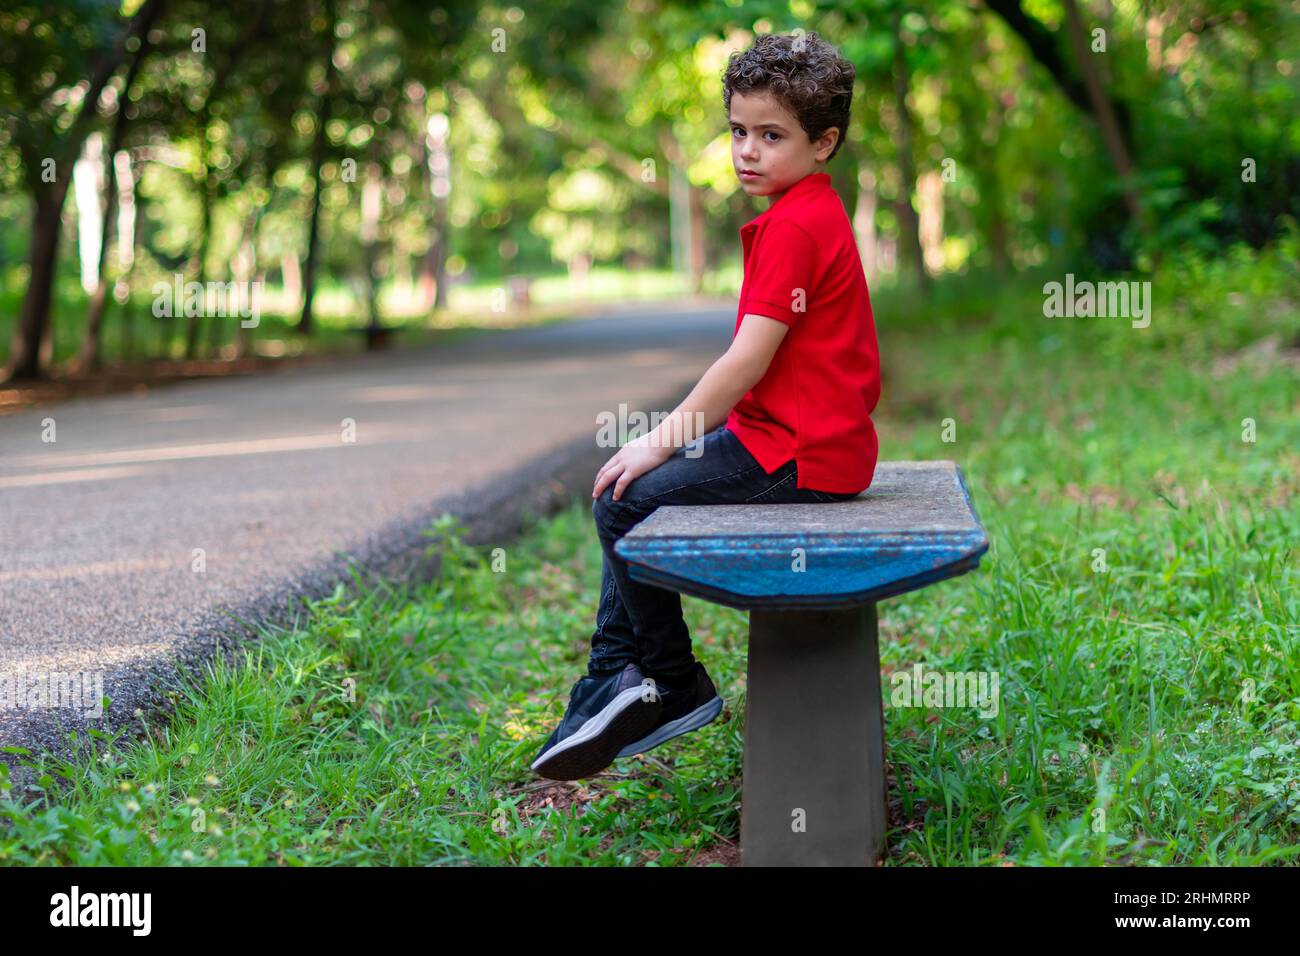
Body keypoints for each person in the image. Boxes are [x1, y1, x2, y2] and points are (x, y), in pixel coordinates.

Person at [532, 31, 882, 781]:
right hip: (798, 440)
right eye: (737, 131)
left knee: (623, 500)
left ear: (824, 142)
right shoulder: (806, 207)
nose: (747, 151)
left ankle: (667, 679)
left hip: (799, 453)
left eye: (771, 135)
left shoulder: (793, 225)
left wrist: (660, 440)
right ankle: (615, 673)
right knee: (627, 491)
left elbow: (746, 360)